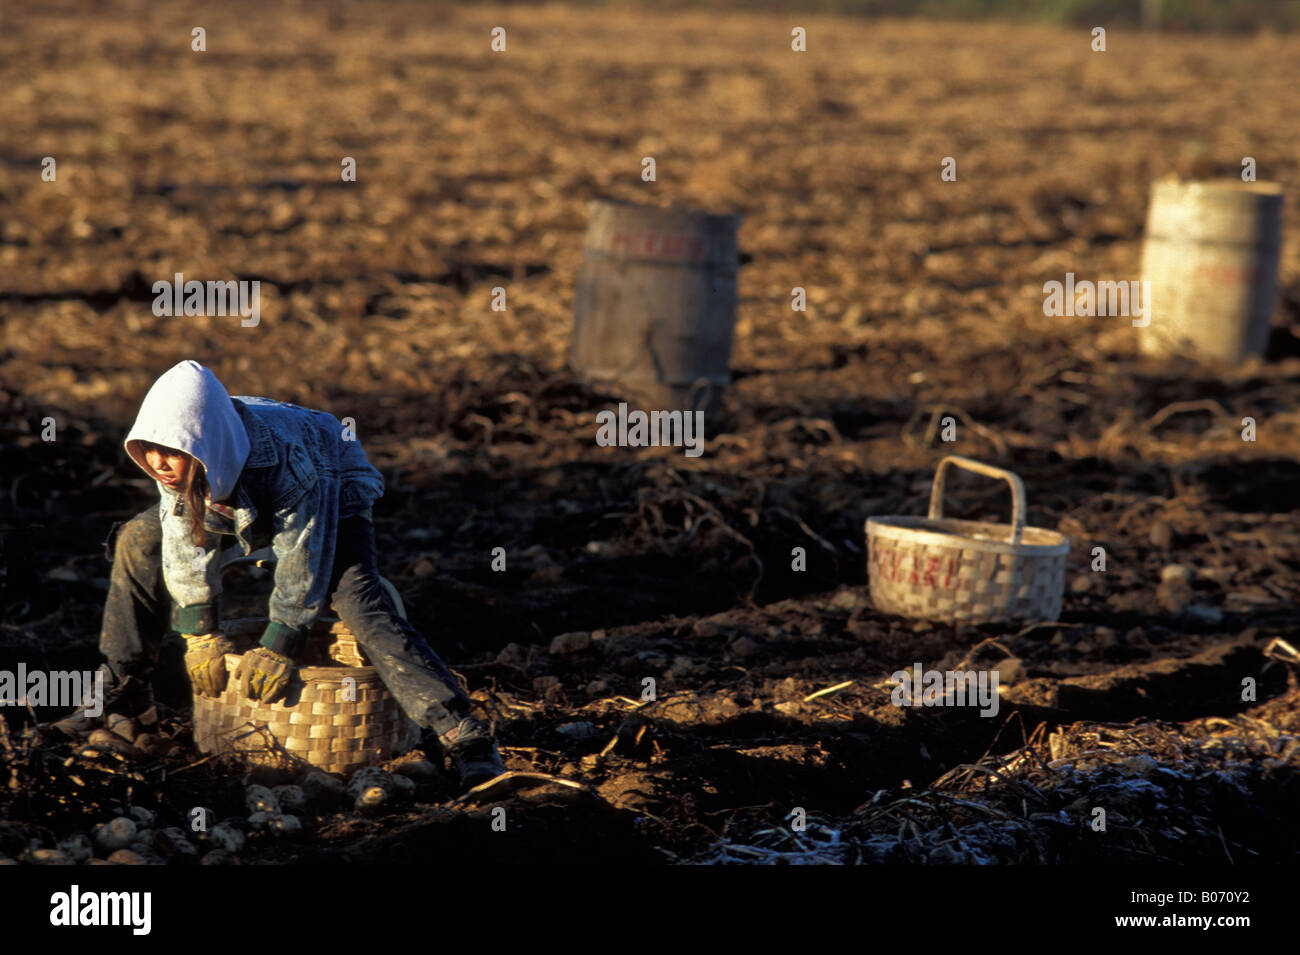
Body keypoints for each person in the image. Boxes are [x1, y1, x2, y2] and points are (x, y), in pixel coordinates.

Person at [81, 359, 504, 789]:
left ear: (201, 445)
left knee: (358, 601)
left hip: (329, 477)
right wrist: (200, 631)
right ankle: (125, 684)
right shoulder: (177, 454)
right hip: (225, 484)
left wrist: (282, 639)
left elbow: (303, 559)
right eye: (149, 447)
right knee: (137, 539)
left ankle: (463, 733)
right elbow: (185, 545)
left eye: (170, 450)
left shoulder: (286, 461)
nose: (156, 461)